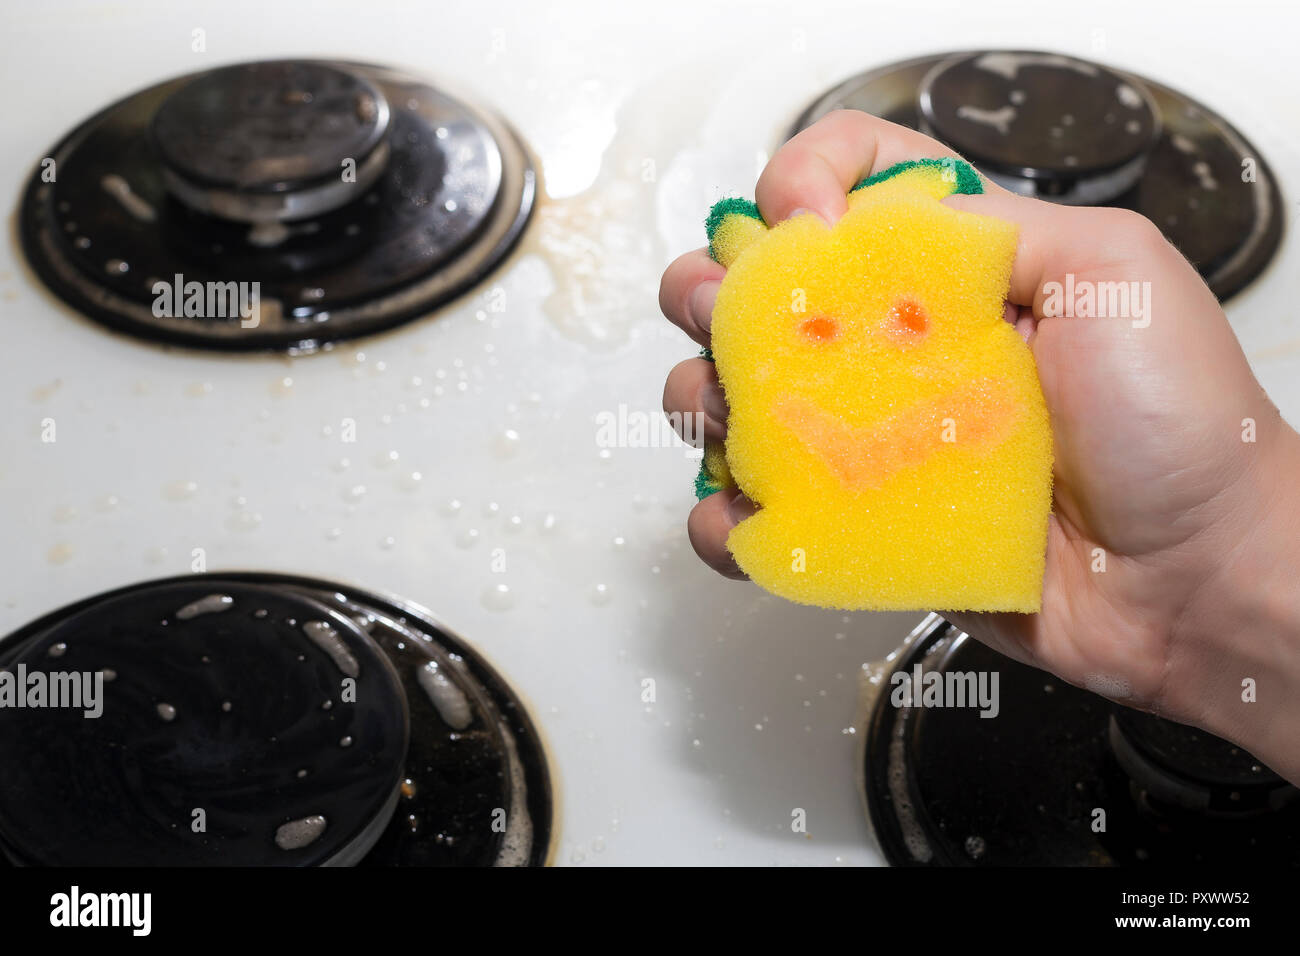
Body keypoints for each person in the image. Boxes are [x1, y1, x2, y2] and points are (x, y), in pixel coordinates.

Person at [659, 110, 1300, 786]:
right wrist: (1223, 564)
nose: (874, 351)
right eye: (820, 333)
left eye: (907, 321)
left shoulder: (981, 343)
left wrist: (1221, 547)